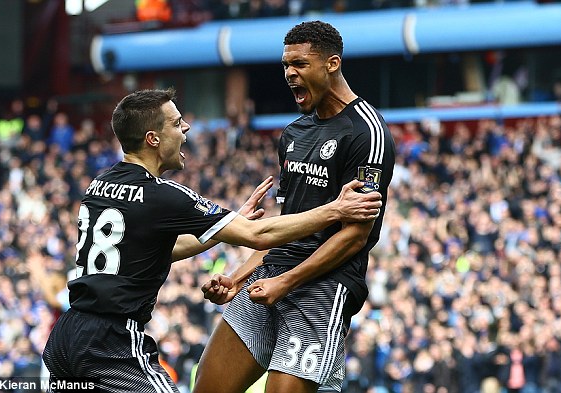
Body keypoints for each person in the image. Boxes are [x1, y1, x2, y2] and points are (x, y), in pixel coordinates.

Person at [41, 88, 382, 393]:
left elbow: (161, 249)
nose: (186, 129)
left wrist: (222, 226)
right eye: (176, 123)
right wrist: (336, 209)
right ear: (153, 139)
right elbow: (259, 236)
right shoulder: (163, 194)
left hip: (66, 337)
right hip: (112, 342)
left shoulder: (99, 184)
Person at [194, 20, 396, 393]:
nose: (289, 73)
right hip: (269, 277)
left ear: (331, 64)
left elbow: (355, 238)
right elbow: (286, 226)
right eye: (286, 65)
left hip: (324, 286)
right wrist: (237, 279)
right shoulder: (293, 134)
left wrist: (286, 283)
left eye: (300, 64)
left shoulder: (368, 132)